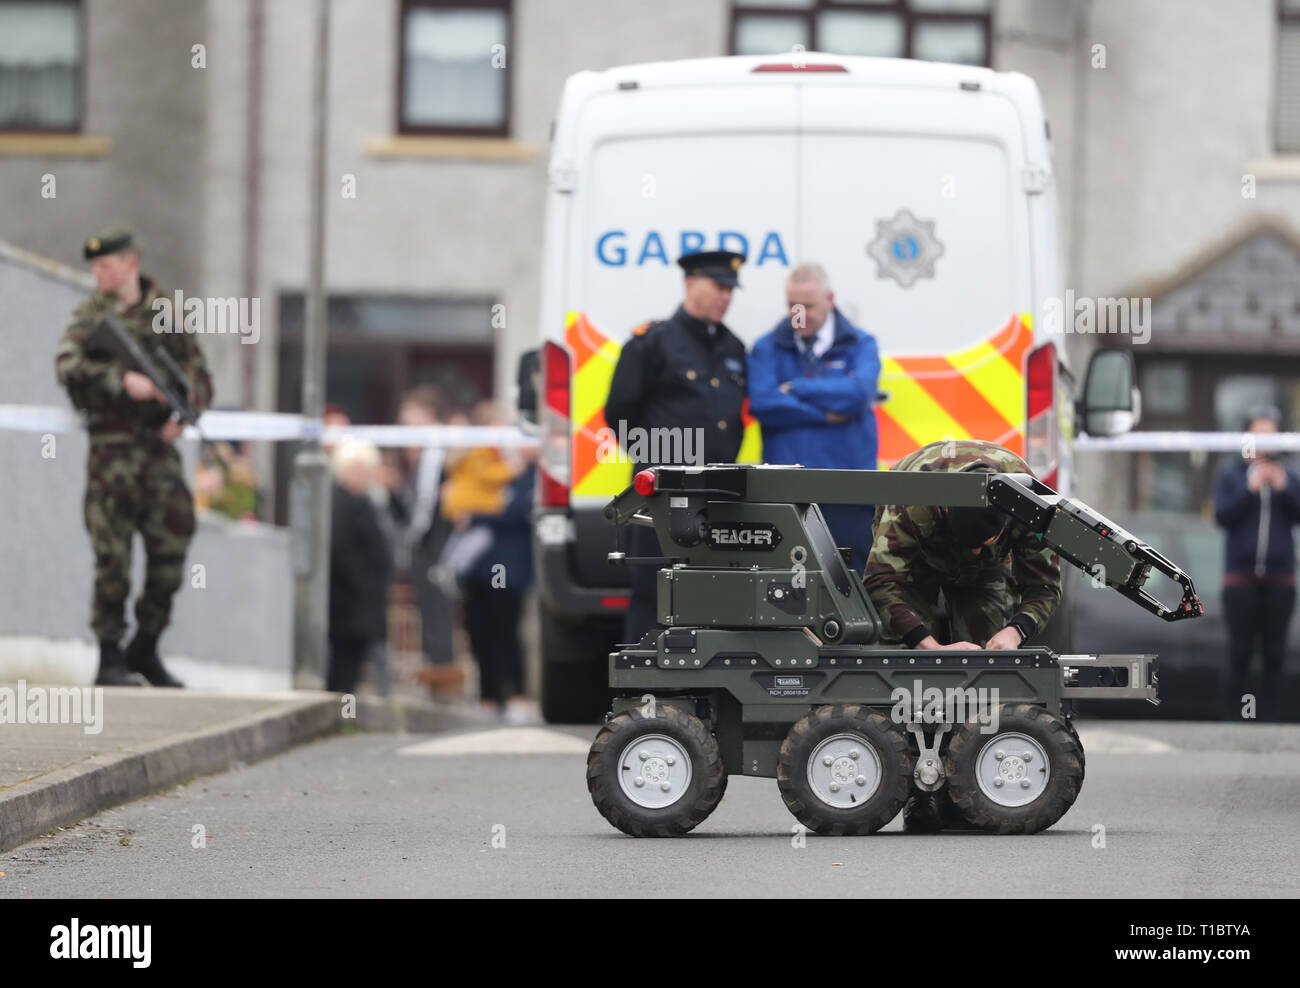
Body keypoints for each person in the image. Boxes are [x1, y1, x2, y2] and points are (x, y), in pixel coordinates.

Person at [54, 225, 213, 687]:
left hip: (158, 453)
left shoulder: (166, 313)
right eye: (96, 267)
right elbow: (67, 365)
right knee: (113, 560)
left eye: (107, 265)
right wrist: (120, 381)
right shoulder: (89, 316)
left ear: (130, 264)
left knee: (171, 550)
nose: (100, 274)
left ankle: (145, 646)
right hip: (112, 454)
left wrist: (185, 413)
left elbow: (199, 374)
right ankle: (108, 657)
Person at [605, 250, 750, 643]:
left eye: (730, 289)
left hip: (716, 492)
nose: (726, 296)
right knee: (654, 591)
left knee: (710, 595)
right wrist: (660, 459)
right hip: (663, 494)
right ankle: (647, 692)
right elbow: (619, 412)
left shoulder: (733, 347)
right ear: (690, 283)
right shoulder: (651, 342)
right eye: (718, 287)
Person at [863, 439, 1062, 653]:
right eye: (966, 543)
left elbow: (1045, 585)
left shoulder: (1029, 506)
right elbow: (880, 580)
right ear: (946, 512)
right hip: (917, 552)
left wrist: (1015, 631)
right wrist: (930, 647)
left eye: (982, 544)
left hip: (987, 568)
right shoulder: (912, 503)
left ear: (1004, 525)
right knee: (904, 653)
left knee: (993, 652)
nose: (973, 553)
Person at [748, 261, 881, 573]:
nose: (799, 313)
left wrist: (797, 388)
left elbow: (859, 394)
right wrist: (825, 413)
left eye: (808, 305)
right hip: (786, 496)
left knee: (853, 588)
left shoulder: (861, 344)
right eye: (792, 305)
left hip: (848, 492)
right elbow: (764, 402)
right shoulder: (767, 348)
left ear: (830, 299)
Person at [1212, 406, 1300, 722]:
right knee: (1239, 652)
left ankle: (1271, 722)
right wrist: (1250, 489)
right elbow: (1222, 516)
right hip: (1241, 580)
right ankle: (1235, 720)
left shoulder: (1289, 476)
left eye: (1271, 434)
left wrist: (1284, 488)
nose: (1265, 441)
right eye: (1258, 434)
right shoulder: (1231, 475)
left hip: (1280, 580)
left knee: (1275, 654)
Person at [388, 386, 465, 695]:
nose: (404, 426)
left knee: (438, 607)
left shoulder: (442, 451)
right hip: (422, 544)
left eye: (410, 418)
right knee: (427, 608)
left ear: (427, 415)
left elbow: (432, 505)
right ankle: (436, 670)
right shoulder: (418, 456)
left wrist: (425, 540)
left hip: (438, 545)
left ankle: (444, 675)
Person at [460, 445, 539, 722]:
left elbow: (514, 513)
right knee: (480, 633)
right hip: (478, 569)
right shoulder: (492, 473)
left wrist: (476, 515)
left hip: (510, 572)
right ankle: (488, 697)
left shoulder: (531, 479)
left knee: (507, 633)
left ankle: (516, 695)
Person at [327, 439, 392, 695]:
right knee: (344, 667)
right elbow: (341, 550)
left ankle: (345, 715)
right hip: (348, 604)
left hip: (361, 604)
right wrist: (363, 582)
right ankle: (342, 715)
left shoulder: (364, 501)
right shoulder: (342, 503)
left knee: (353, 667)